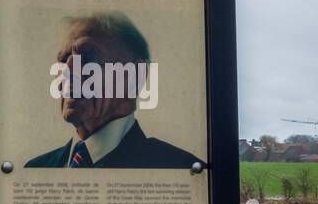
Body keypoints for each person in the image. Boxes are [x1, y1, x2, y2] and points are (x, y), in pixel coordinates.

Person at [25, 12, 202, 169]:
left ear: (135, 76)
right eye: (63, 60)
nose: (68, 72)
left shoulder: (177, 167)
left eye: (89, 57)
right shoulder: (35, 168)